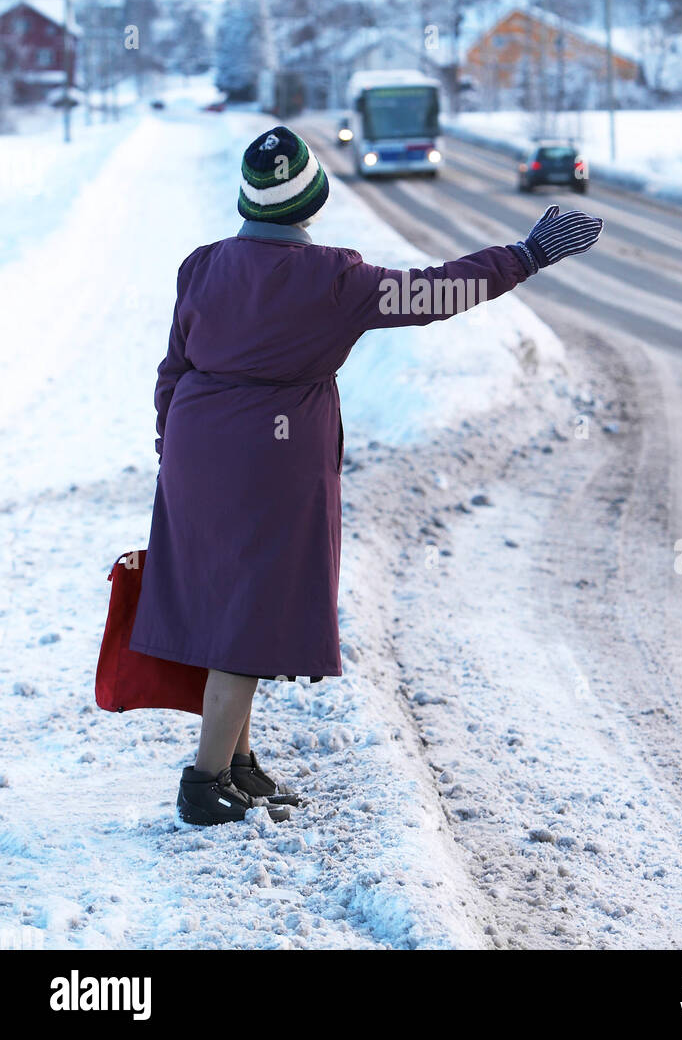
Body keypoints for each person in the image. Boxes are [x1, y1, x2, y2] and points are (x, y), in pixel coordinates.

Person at [129, 126, 604, 827]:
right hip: (267, 456)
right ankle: (202, 784)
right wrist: (526, 255)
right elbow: (432, 293)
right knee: (247, 613)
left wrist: (175, 440)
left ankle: (235, 762)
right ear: (310, 202)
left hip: (198, 445)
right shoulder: (335, 280)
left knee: (224, 603)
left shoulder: (200, 265)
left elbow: (173, 365)